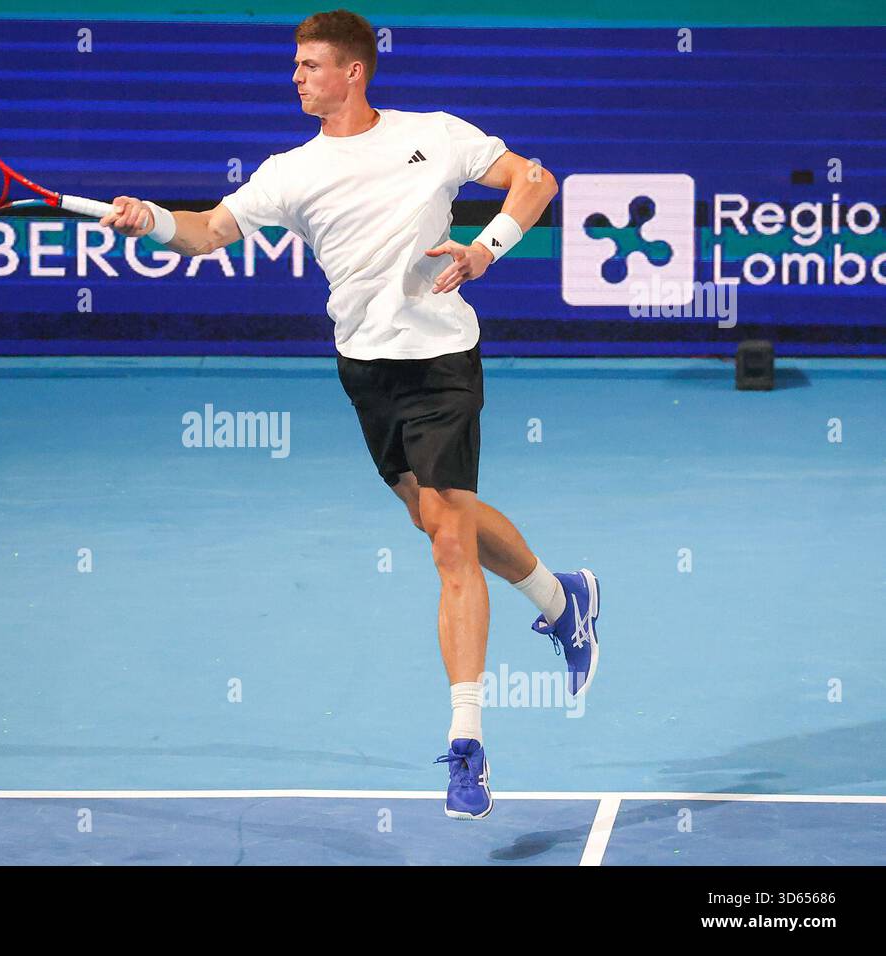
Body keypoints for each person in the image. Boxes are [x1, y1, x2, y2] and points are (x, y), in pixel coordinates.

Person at [101, 9, 599, 820]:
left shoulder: (434, 134)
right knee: (435, 517)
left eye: (308, 66)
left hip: (441, 360)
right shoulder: (290, 171)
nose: (295, 77)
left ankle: (467, 745)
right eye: (295, 66)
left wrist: (483, 250)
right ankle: (561, 598)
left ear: (352, 72)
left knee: (446, 534)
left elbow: (534, 180)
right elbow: (206, 232)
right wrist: (148, 219)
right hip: (365, 368)